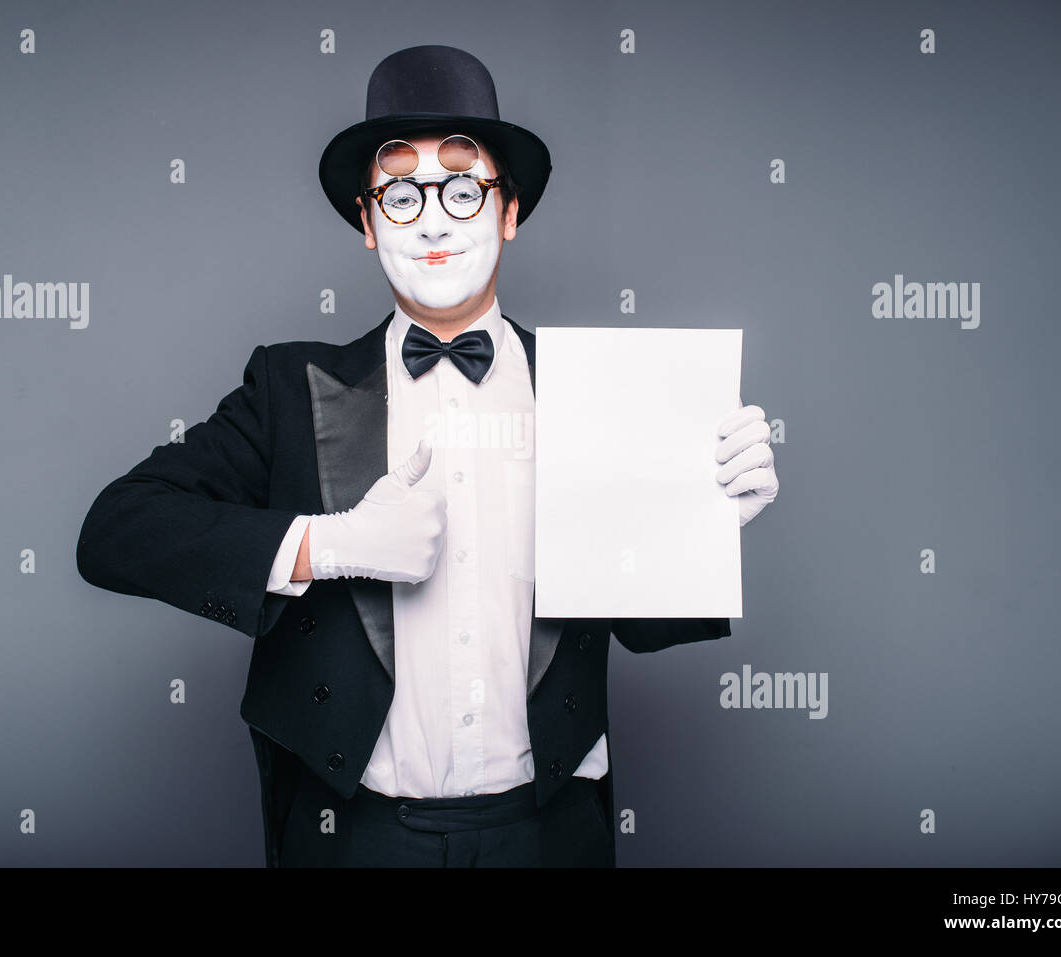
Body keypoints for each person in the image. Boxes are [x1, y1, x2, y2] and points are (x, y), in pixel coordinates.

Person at [75, 44, 779, 867]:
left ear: (507, 211)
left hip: (549, 833)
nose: (436, 217)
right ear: (371, 225)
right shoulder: (289, 385)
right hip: (353, 836)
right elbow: (115, 532)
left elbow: (645, 618)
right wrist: (329, 543)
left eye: (462, 185)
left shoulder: (591, 387)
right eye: (402, 192)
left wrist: (704, 513)